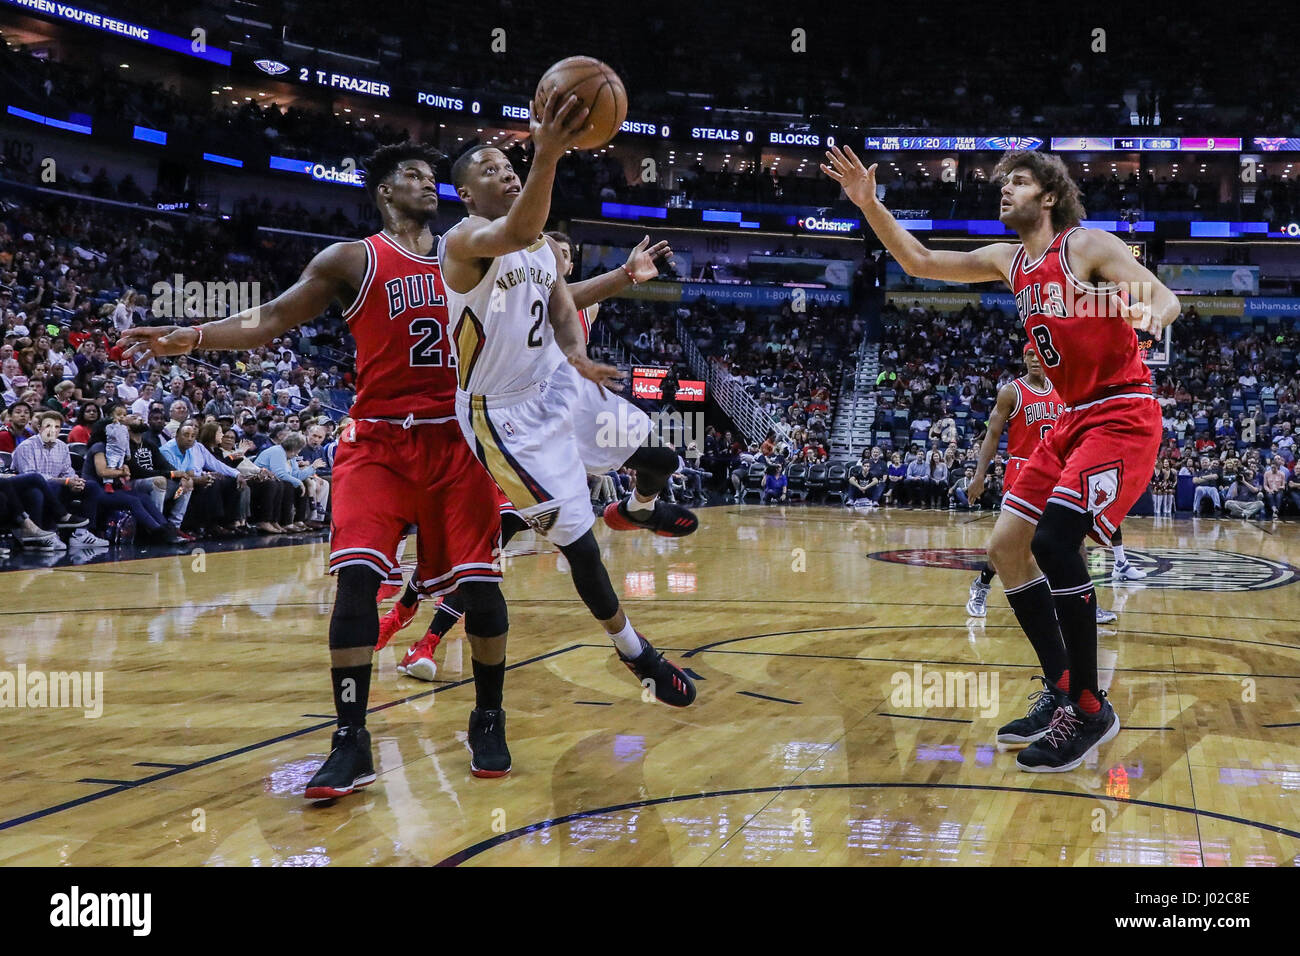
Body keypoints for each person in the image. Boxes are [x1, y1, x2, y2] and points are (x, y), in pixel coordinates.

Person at [123, 140, 513, 798]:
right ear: (385, 192)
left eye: (431, 176)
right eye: (413, 176)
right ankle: (351, 740)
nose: (429, 184)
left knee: (478, 586)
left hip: (456, 439)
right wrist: (192, 336)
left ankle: (488, 717)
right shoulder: (352, 259)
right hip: (378, 441)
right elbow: (272, 317)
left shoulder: (467, 249)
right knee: (356, 582)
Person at [824, 144, 1177, 771]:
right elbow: (922, 259)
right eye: (1003, 182)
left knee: (1056, 543)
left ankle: (1092, 709)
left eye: (1017, 181)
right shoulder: (1009, 262)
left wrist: (1135, 311)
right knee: (1005, 548)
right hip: (1069, 419)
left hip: (1120, 412)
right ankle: (1062, 688)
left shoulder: (1087, 246)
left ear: (1048, 195)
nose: (1003, 190)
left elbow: (1161, 299)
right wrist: (869, 205)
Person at [435, 92, 697, 720]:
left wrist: (579, 355)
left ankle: (635, 508)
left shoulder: (535, 250)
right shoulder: (466, 239)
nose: (505, 170)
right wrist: (549, 150)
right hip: (503, 415)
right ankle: (636, 652)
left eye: (509, 163)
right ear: (468, 194)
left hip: (556, 382)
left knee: (660, 450)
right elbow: (522, 226)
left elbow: (560, 304)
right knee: (580, 548)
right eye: (490, 168)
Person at [964, 346, 1122, 622]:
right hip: (1022, 470)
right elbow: (992, 433)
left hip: (1060, 471)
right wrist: (979, 476)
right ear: (1024, 359)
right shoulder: (1011, 392)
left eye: (1040, 354)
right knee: (1010, 545)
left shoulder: (1064, 390)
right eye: (1030, 355)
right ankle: (982, 585)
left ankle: (1086, 605)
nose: (1036, 359)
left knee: (1075, 540)